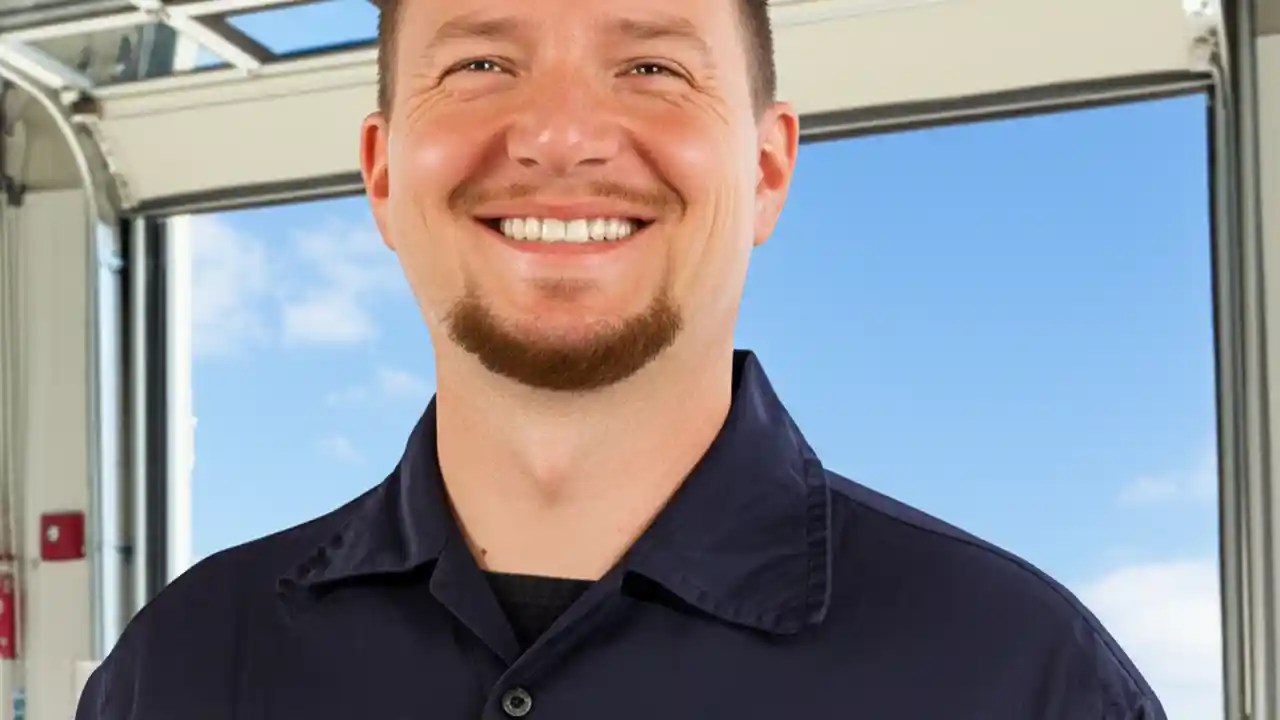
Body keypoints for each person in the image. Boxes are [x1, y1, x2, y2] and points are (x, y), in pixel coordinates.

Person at [77, 0, 1167, 717]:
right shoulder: (181, 670)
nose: (558, 133)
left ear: (767, 168)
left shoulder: (1019, 679)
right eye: (480, 63)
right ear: (381, 175)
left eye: (648, 64)